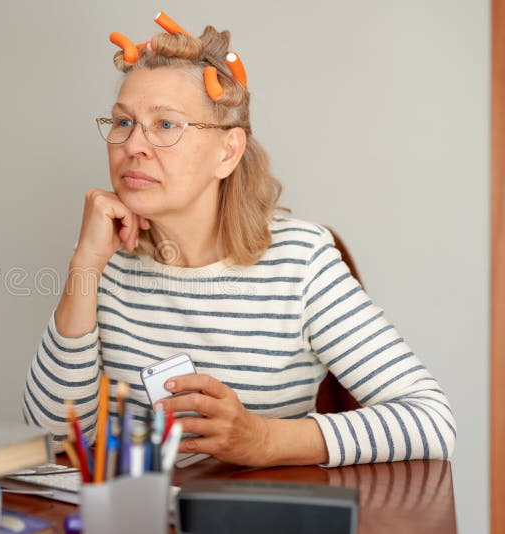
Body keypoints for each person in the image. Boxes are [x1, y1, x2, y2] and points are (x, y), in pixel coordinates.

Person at [22, 13, 455, 467]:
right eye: (122, 122)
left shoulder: (300, 262)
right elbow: (52, 438)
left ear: (227, 152)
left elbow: (431, 419)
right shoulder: (107, 259)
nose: (134, 145)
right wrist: (85, 265)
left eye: (166, 124)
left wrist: (262, 439)